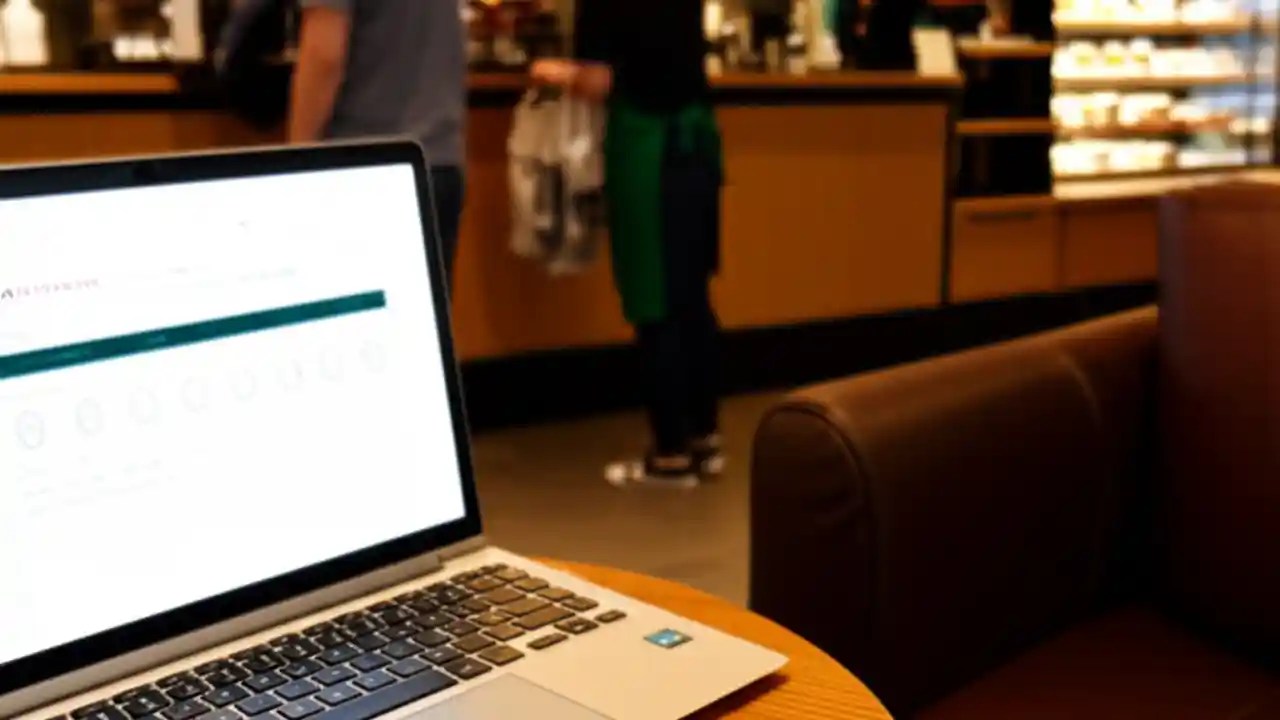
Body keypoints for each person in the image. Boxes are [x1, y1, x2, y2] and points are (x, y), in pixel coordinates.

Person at [532, 0, 724, 487]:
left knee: (652, 297)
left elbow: (599, 82)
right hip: (697, 145)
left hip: (648, 150)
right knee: (692, 296)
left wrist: (556, 72)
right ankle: (705, 435)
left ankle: (671, 455)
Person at [288, 0, 467, 281]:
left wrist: (296, 157)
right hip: (440, 161)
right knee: (422, 319)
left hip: (365, 168)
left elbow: (324, 54)